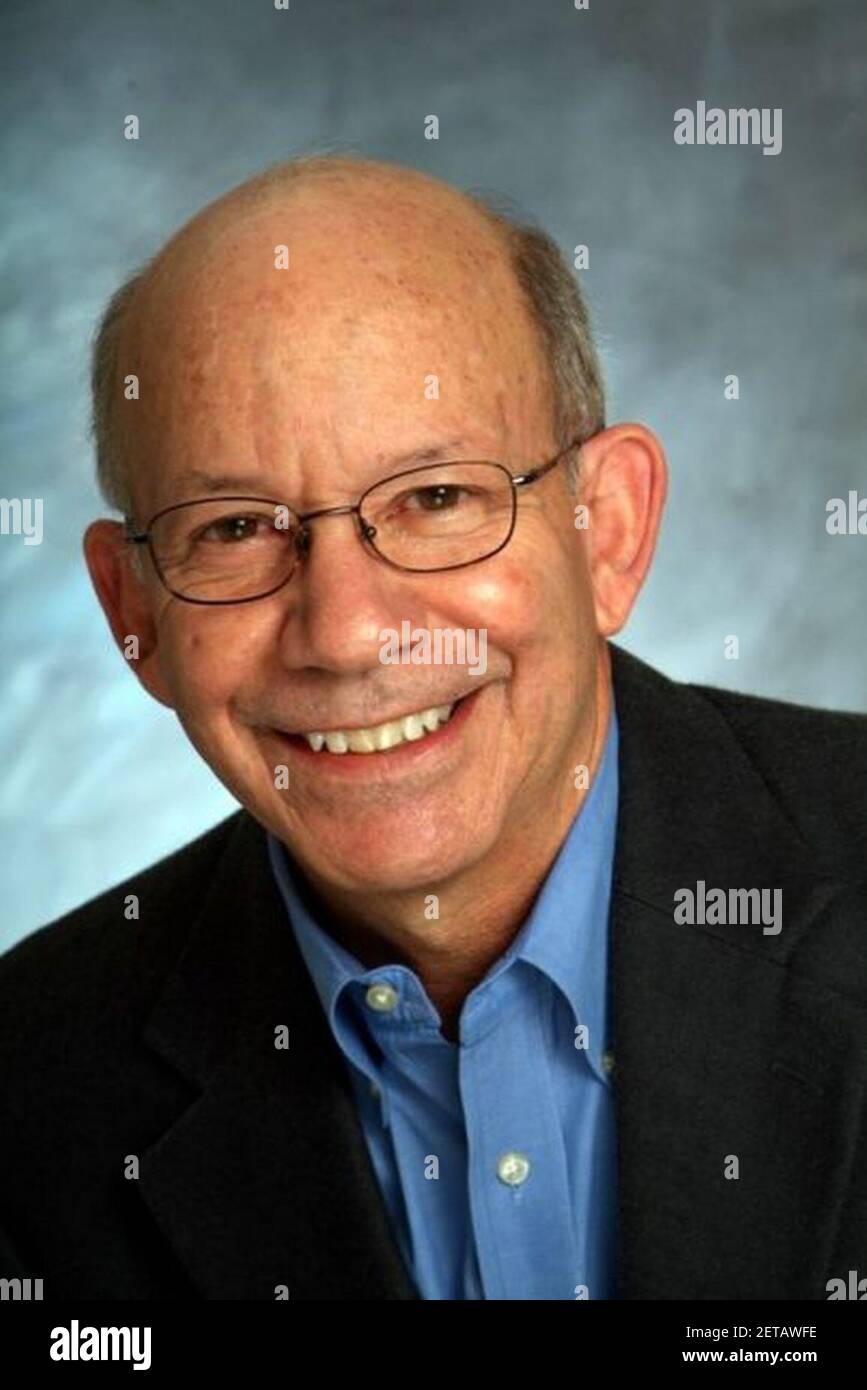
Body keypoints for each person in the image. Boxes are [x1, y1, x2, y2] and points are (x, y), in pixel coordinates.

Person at [1, 154, 864, 1302]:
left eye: (438, 498)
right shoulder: (27, 1093)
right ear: (134, 615)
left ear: (606, 533)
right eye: (236, 527)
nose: (349, 633)